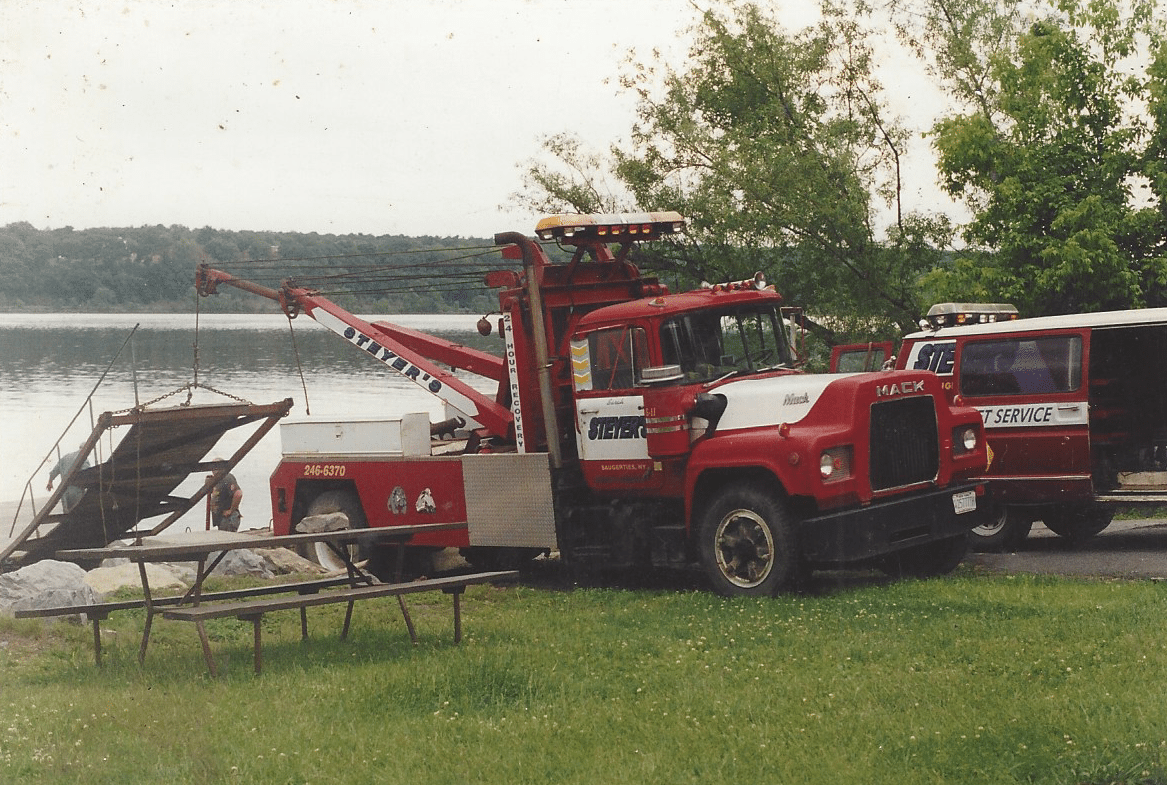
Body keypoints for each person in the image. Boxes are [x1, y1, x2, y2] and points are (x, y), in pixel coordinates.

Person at [46, 446, 90, 513]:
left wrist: (50, 482)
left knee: (67, 514)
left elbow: (55, 470)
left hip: (64, 491)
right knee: (79, 513)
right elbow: (87, 473)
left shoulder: (66, 457)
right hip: (76, 490)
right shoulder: (83, 457)